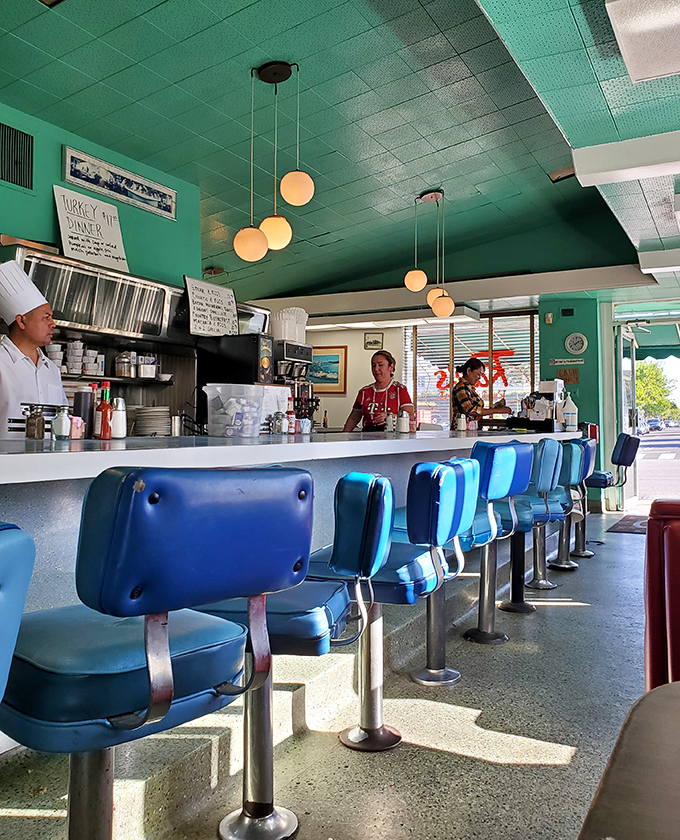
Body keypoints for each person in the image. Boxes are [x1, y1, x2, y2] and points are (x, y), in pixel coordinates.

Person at [0, 260, 67, 439]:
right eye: (46, 317)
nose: (53, 324)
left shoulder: (52, 370)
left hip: (47, 463)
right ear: (21, 321)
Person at [343, 350, 415, 432]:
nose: (376, 369)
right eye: (373, 366)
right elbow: (353, 418)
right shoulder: (364, 392)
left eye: (380, 365)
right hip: (367, 436)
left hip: (392, 437)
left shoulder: (400, 390)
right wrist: (343, 437)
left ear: (391, 367)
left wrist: (390, 417)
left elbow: (410, 417)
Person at [452, 357, 512, 425]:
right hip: (462, 429)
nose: (479, 377)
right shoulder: (461, 387)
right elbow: (471, 411)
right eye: (478, 374)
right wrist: (498, 410)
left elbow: (476, 412)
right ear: (469, 371)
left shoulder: (469, 389)